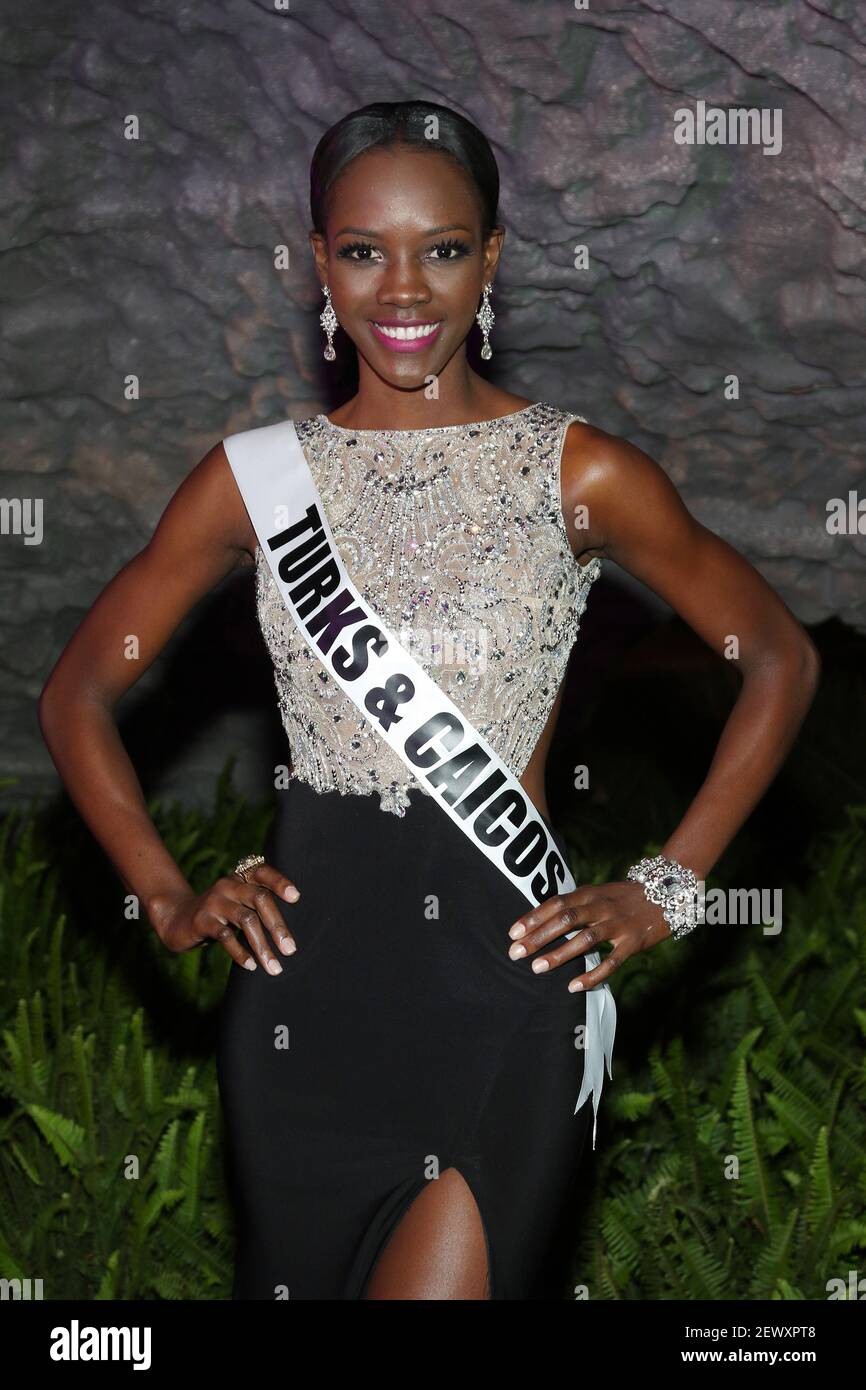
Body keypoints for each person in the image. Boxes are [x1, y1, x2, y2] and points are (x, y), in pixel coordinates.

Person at [38, 100, 821, 1301]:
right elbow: (77, 691)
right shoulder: (256, 482)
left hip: (503, 984)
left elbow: (775, 655)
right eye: (363, 250)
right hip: (304, 1003)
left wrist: (665, 885)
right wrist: (166, 891)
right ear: (319, 263)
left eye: (442, 249)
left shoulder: (579, 471)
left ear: (491, 258)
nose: (402, 288)